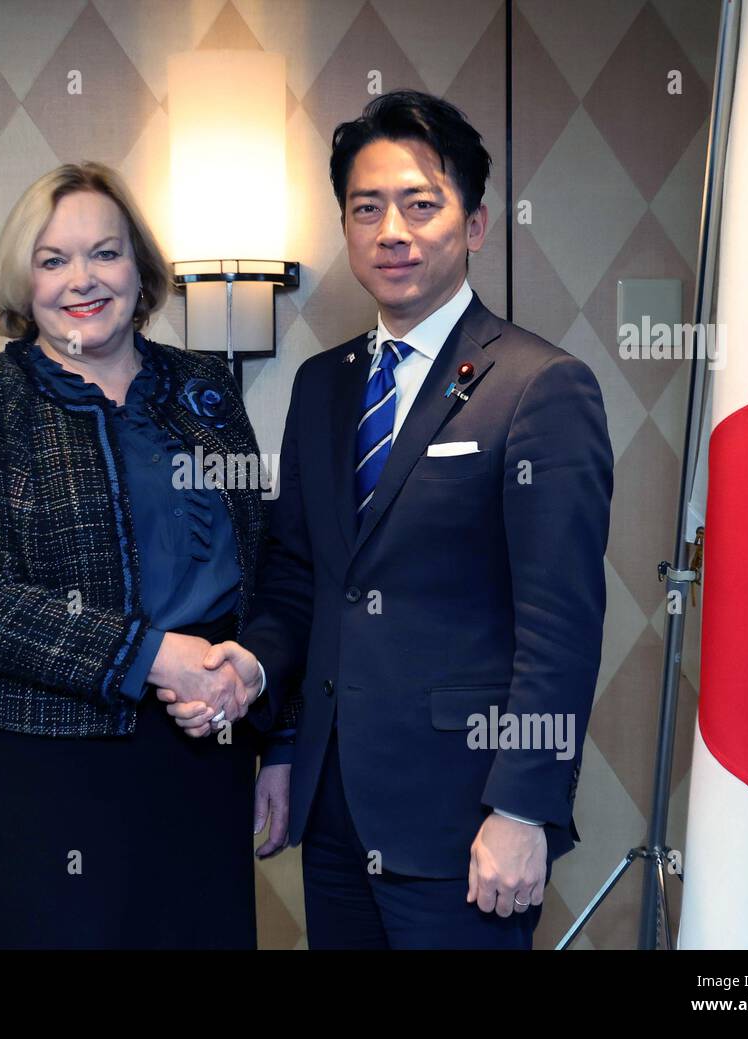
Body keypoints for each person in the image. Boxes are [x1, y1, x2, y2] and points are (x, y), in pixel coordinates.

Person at [173, 90, 614, 948]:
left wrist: (524, 804)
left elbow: (560, 624)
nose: (392, 231)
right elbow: (301, 578)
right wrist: (277, 722)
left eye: (422, 204)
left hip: (468, 820)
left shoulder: (539, 387)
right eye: (366, 207)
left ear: (476, 224)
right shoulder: (324, 384)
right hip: (335, 811)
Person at [0, 161, 292, 949]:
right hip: (29, 760)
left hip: (201, 743)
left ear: (141, 268)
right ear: (25, 281)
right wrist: (154, 656)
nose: (81, 279)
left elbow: (268, 565)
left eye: (105, 253)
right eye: (53, 259)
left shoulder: (205, 390)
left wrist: (269, 726)